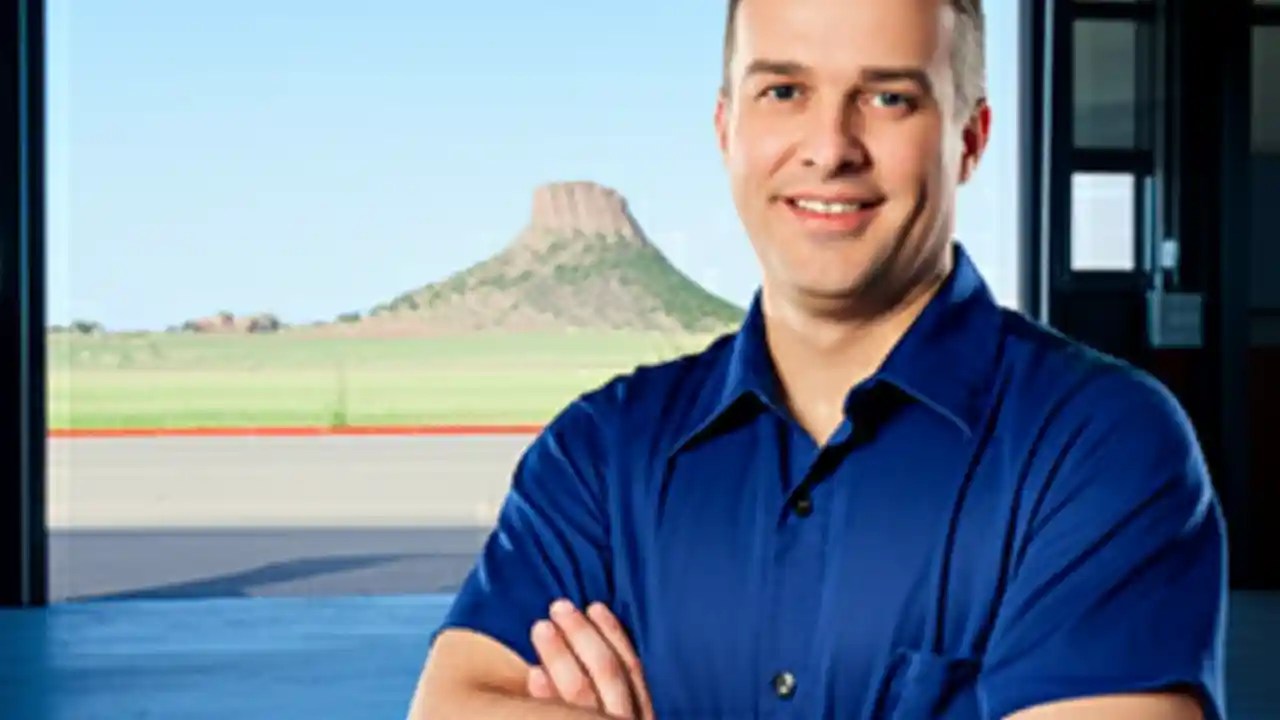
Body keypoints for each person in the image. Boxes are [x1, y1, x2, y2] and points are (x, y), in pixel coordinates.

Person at [406, 0, 1228, 717]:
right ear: (728, 127)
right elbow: (452, 707)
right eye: (785, 91)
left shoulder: (1099, 446)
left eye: (888, 97)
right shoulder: (601, 453)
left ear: (970, 139)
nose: (830, 147)